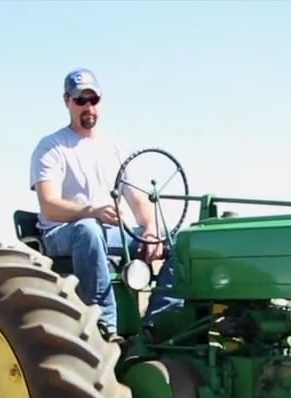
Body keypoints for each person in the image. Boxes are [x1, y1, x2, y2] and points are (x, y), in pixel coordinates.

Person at [28, 67, 181, 341]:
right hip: (63, 233)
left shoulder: (115, 148)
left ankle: (159, 322)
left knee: (180, 241)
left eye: (93, 100)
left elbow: (138, 198)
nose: (88, 107)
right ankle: (105, 322)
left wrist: (149, 229)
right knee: (88, 229)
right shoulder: (51, 147)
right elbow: (49, 205)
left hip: (109, 232)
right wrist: (92, 211)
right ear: (67, 102)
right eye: (80, 100)